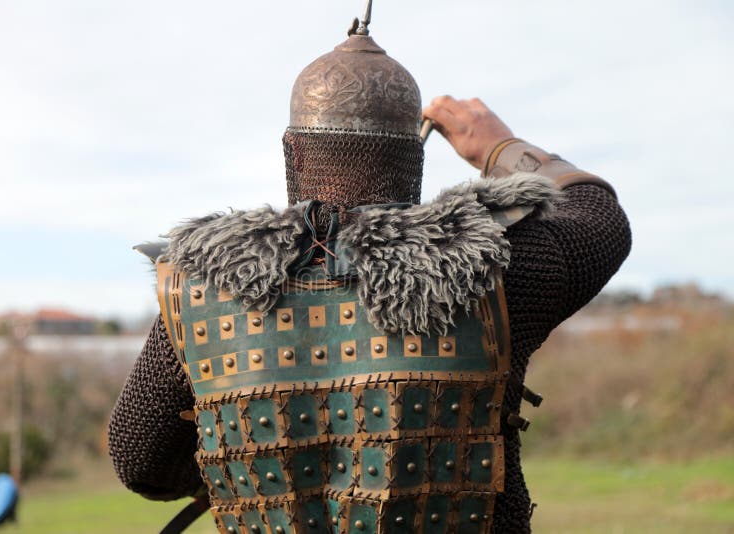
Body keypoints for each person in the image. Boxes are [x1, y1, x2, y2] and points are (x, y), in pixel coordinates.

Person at [108, 8, 631, 534]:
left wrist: (254, 468)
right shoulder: (491, 268)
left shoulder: (209, 282)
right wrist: (496, 144)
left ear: (292, 152)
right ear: (415, 158)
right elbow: (598, 217)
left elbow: (140, 460)